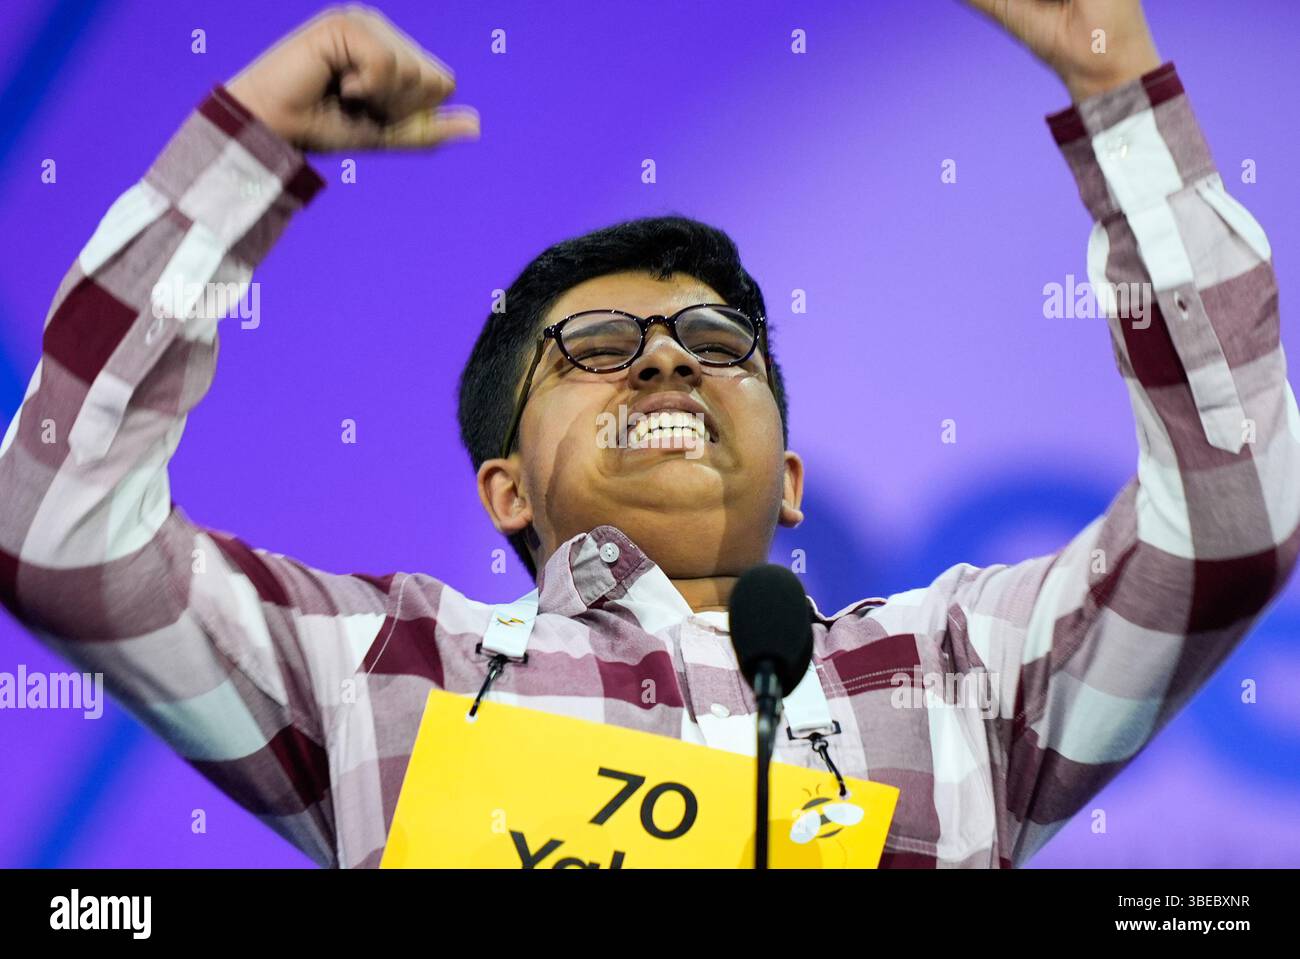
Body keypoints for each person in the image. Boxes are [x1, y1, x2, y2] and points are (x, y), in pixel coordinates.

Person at [1, 1, 1295, 869]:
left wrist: (1119, 93)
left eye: (717, 344)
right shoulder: (385, 672)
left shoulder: (960, 672)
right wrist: (249, 146)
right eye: (597, 349)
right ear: (504, 490)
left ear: (790, 480)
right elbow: (56, 528)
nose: (669, 354)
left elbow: (1232, 520)